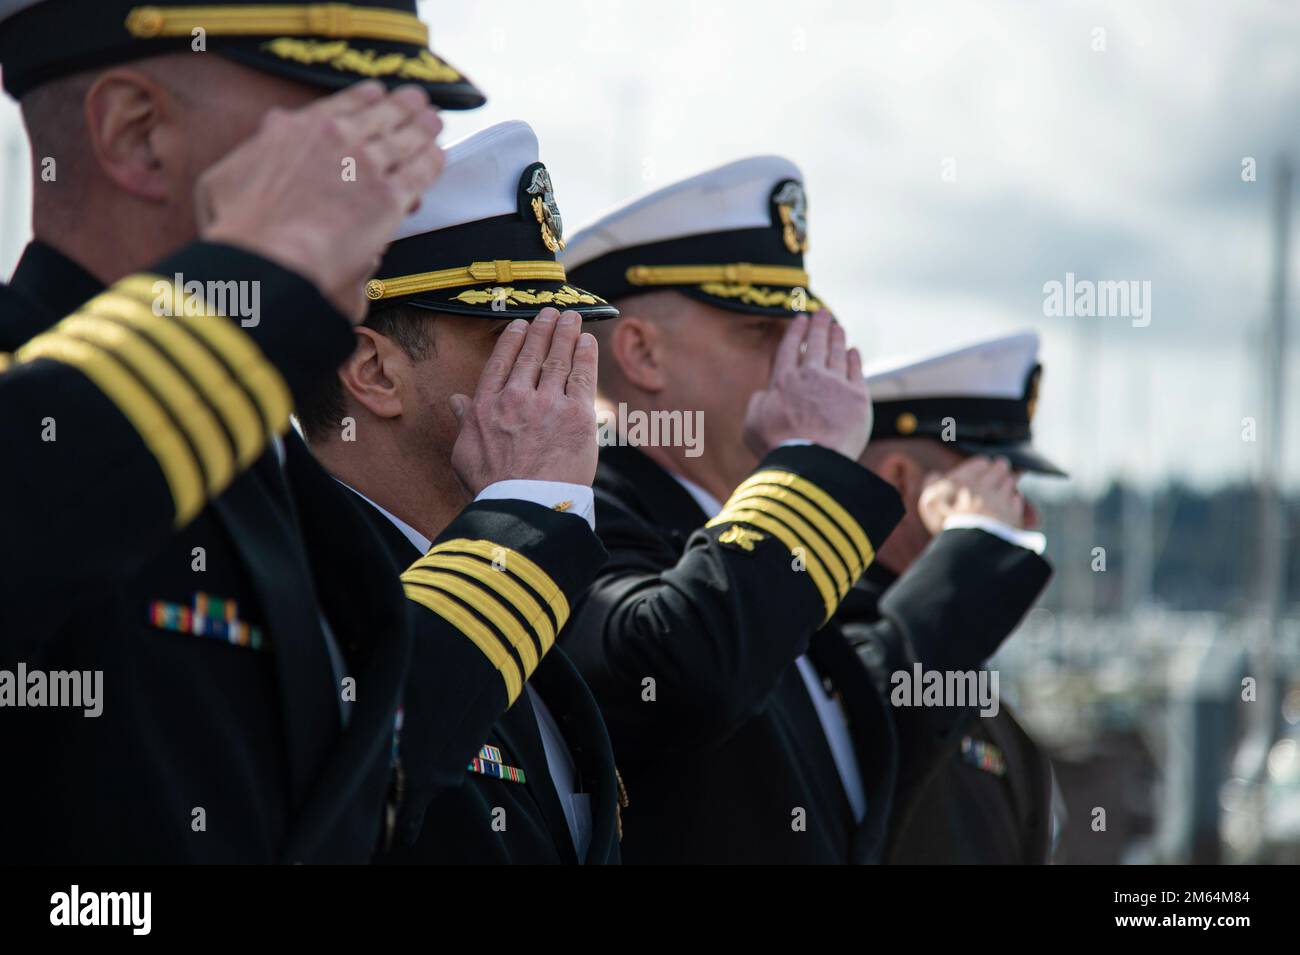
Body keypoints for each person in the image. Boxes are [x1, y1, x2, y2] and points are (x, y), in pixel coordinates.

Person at [0, 0, 605, 863]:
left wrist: (525, 521)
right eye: (347, 121)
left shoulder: (272, 482)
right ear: (139, 135)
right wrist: (252, 287)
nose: (399, 175)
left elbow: (363, 785)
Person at [559, 156, 913, 863]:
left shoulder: (762, 538)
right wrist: (807, 453)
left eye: (800, 334)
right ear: (640, 353)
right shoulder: (578, 514)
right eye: (760, 334)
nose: (796, 365)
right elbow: (685, 670)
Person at [298, 120, 624, 864]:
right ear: (375, 372)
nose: (567, 371)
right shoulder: (303, 586)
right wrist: (529, 513)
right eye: (516, 334)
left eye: (569, 331)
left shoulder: (528, 576)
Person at [844, 331, 1064, 864]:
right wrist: (974, 550)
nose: (1027, 517)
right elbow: (876, 719)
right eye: (999, 486)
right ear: (900, 480)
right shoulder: (813, 648)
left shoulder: (988, 718)